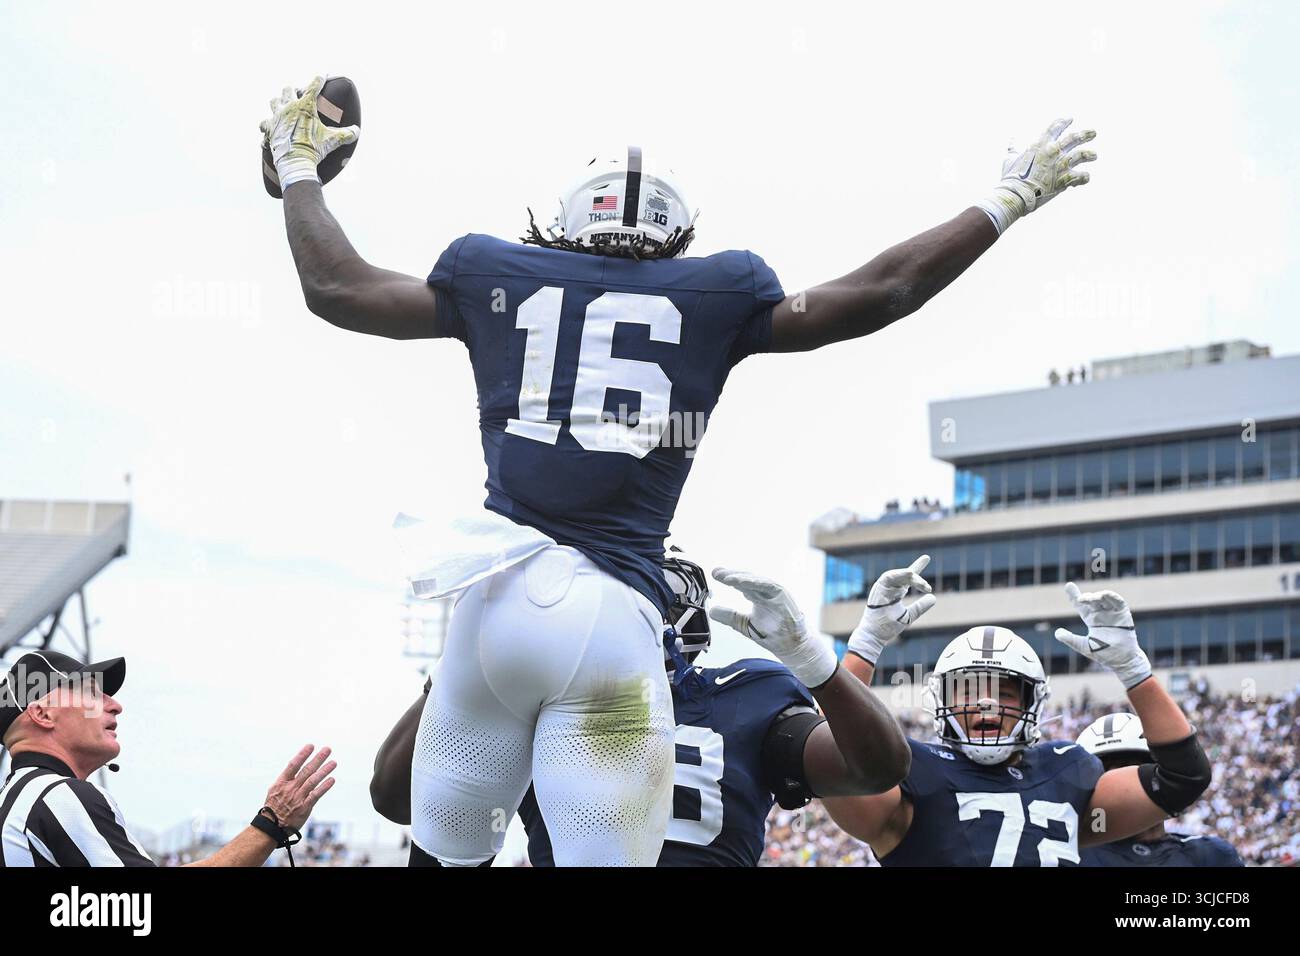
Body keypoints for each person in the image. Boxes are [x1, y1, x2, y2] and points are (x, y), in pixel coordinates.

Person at [261, 77, 1096, 866]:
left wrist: (300, 168)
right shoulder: (716, 293)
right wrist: (1003, 202)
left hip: (496, 605)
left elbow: (336, 286)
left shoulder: (496, 276)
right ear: (678, 236)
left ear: (563, 221)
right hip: (615, 618)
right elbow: (885, 290)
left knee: (443, 853)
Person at [371, 553, 910, 866]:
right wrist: (475, 651)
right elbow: (398, 799)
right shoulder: (540, 692)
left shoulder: (751, 692)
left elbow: (877, 768)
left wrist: (814, 661)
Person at [821, 559, 1212, 866]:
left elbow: (1183, 777)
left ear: (1034, 703)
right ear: (941, 702)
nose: (987, 703)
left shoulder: (1065, 772)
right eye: (969, 691)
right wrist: (866, 646)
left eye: (1005, 693)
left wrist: (1134, 672)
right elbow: (829, 762)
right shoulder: (914, 770)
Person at [0, 650, 335, 867]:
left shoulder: (16, 802)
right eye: (90, 693)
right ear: (42, 714)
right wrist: (271, 822)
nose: (115, 704)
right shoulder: (58, 797)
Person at [1076, 711, 1242, 866]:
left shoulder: (1212, 856)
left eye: (1131, 769)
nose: (1120, 787)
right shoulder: (1070, 855)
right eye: (1106, 774)